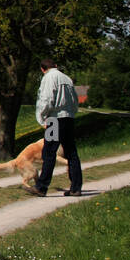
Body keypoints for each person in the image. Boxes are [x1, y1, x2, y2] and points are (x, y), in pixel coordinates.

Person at [32, 59, 83, 196]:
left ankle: (42, 187)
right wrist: (72, 113)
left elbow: (47, 99)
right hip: (68, 118)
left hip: (54, 119)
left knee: (49, 152)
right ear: (55, 66)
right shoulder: (67, 78)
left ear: (43, 69)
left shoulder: (48, 77)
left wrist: (42, 117)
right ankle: (76, 187)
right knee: (71, 152)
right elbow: (74, 100)